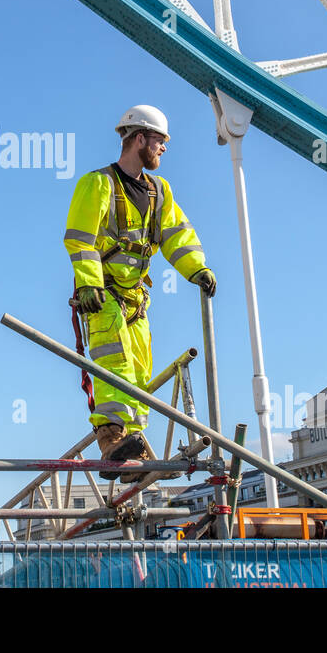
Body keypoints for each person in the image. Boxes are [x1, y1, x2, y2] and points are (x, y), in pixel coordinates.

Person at [64, 106, 215, 480]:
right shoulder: (98, 184)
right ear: (140, 138)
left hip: (136, 300)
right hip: (103, 296)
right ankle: (112, 441)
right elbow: (80, 239)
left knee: (141, 371)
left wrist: (196, 268)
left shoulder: (158, 191)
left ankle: (132, 448)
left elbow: (176, 235)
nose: (164, 148)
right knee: (115, 366)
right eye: (160, 141)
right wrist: (88, 282)